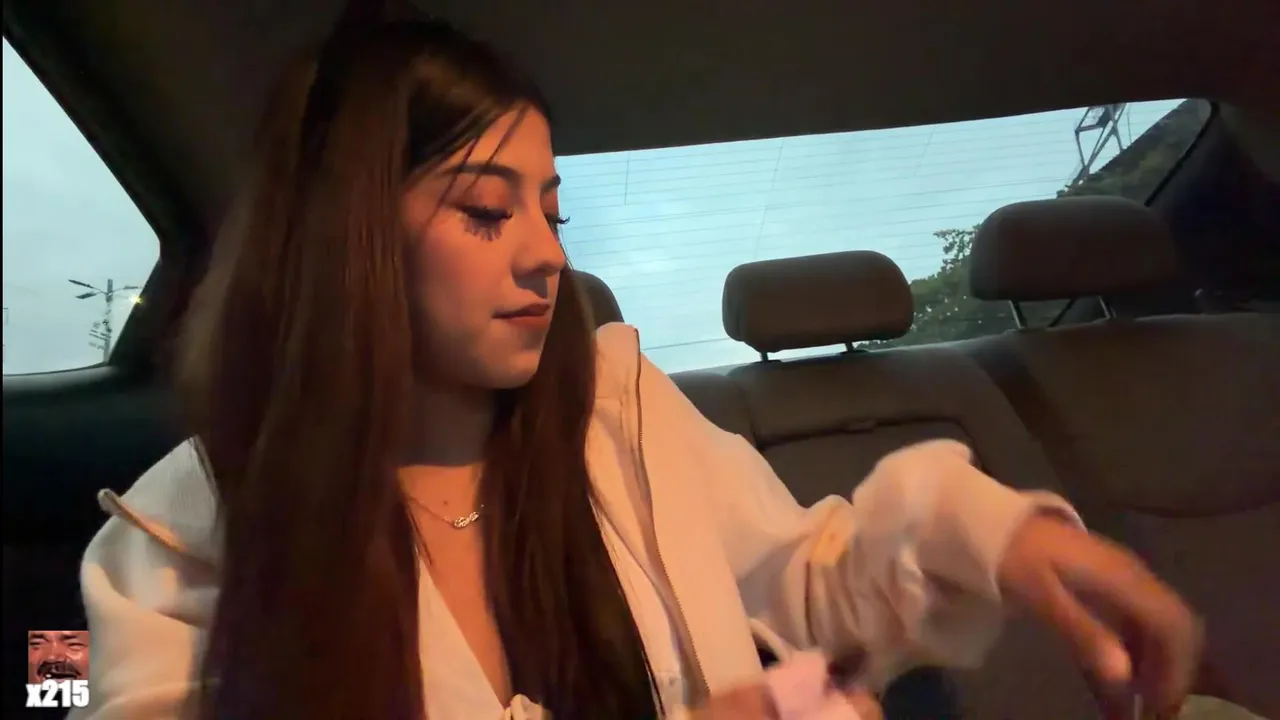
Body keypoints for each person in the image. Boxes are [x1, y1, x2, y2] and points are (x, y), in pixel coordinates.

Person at [70, 16, 1202, 720]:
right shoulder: (179, 539)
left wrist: (991, 534)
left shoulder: (614, 410)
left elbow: (810, 582)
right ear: (347, 237)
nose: (546, 256)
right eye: (485, 211)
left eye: (552, 212)